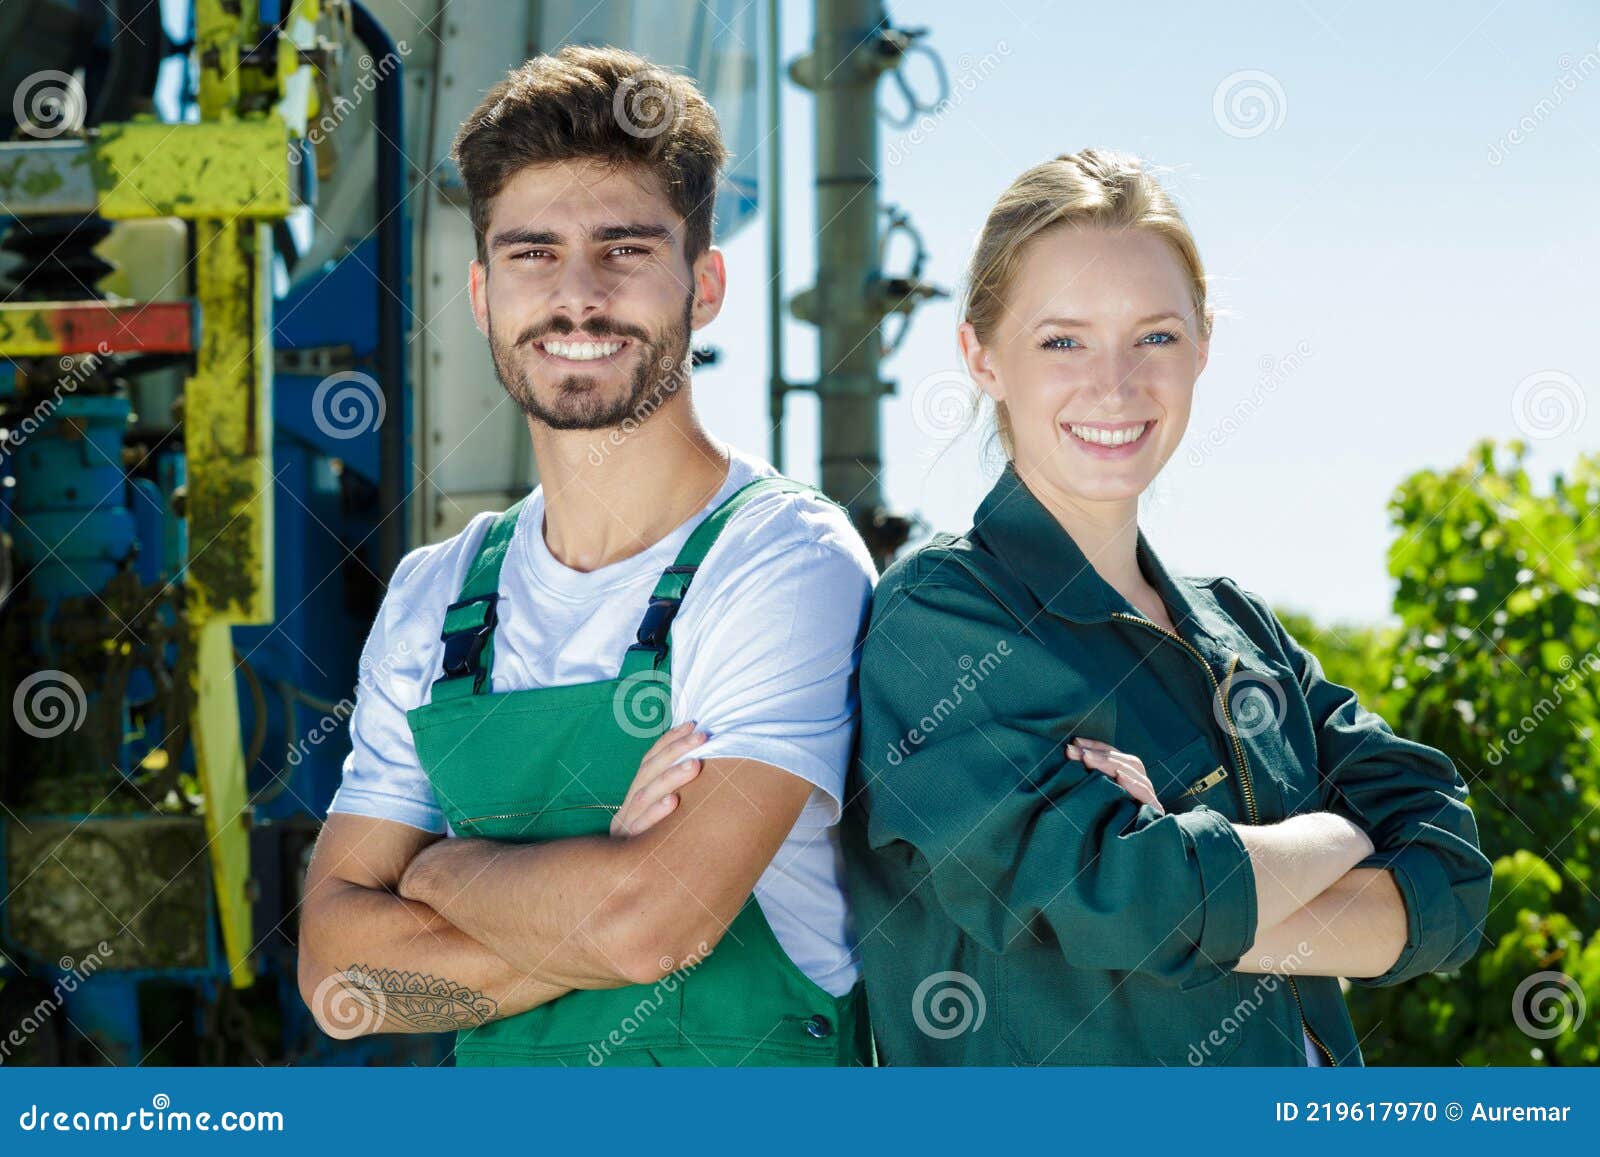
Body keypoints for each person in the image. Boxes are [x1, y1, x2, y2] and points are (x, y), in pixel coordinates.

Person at [842, 148, 1492, 1066]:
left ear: (1203, 347)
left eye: (1155, 336)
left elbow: (1453, 878)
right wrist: (1336, 833)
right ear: (981, 357)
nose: (1114, 385)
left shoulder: (1240, 629)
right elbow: (1127, 901)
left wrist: (1211, 887)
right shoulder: (944, 619)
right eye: (1062, 339)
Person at [297, 45, 875, 1067]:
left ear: (704, 284)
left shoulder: (781, 559)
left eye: (623, 249)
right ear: (481, 293)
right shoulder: (437, 596)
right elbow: (341, 981)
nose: (575, 296)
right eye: (531, 253)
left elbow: (658, 924)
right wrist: (606, 878)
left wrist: (437, 868)